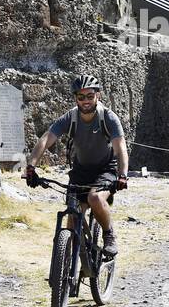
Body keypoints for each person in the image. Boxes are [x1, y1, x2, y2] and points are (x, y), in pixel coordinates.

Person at [23, 75, 129, 257]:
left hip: (105, 170)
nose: (86, 100)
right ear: (75, 98)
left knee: (95, 198)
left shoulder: (108, 118)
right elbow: (46, 139)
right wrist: (31, 166)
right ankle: (65, 269)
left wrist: (123, 174)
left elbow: (120, 148)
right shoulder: (70, 118)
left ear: (98, 96)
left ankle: (109, 235)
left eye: (90, 96)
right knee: (73, 214)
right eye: (81, 97)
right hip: (80, 172)